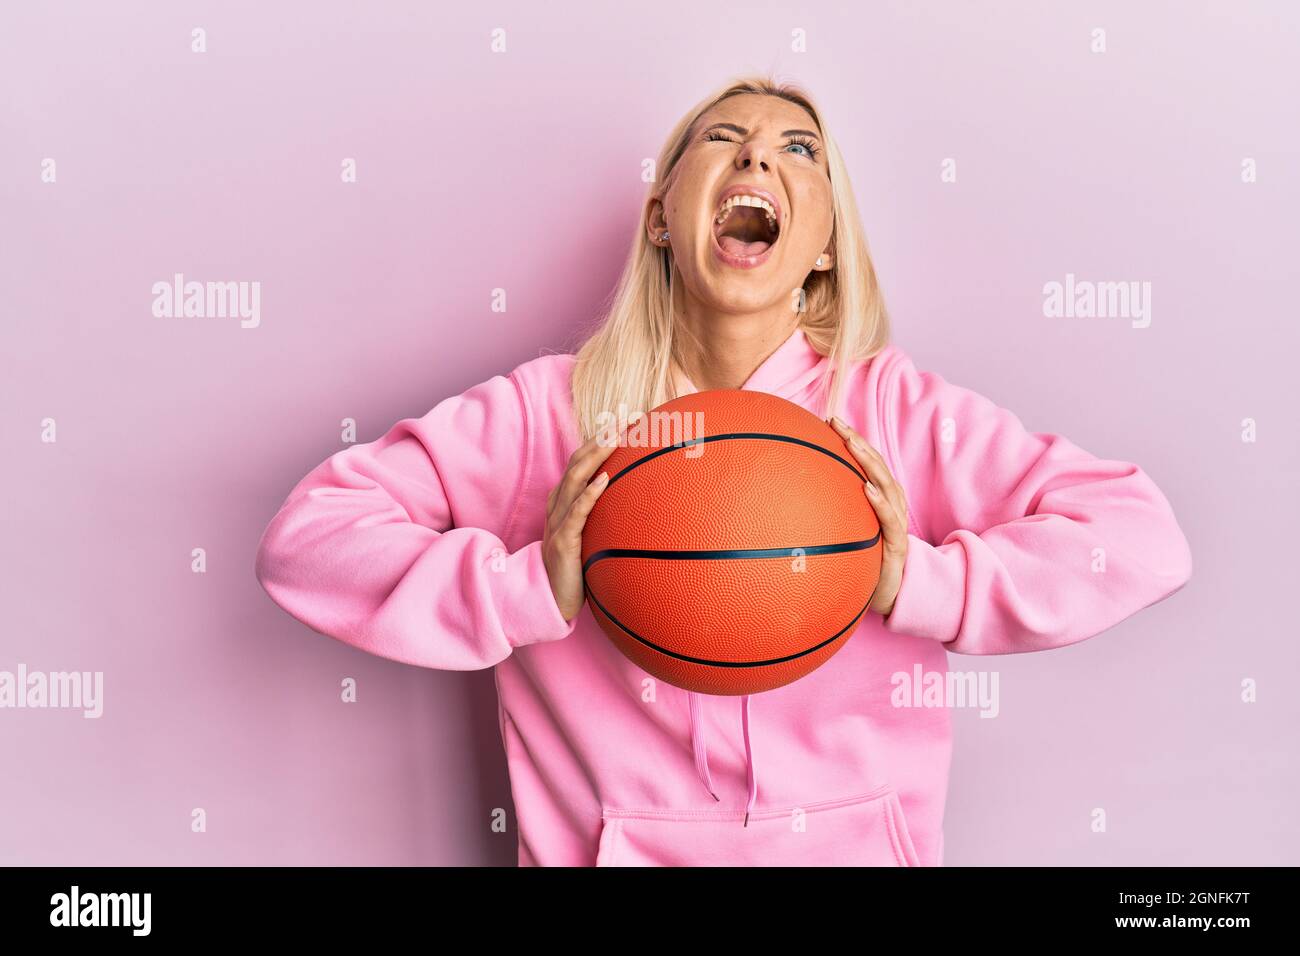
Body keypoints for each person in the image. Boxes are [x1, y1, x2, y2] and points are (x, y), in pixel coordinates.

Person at [254, 75, 1193, 866]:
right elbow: (307, 541)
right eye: (722, 138)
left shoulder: (896, 418)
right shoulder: (550, 416)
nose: (756, 158)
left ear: (824, 245)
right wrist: (523, 587)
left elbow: (1142, 536)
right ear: (662, 215)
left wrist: (924, 580)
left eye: (800, 149)